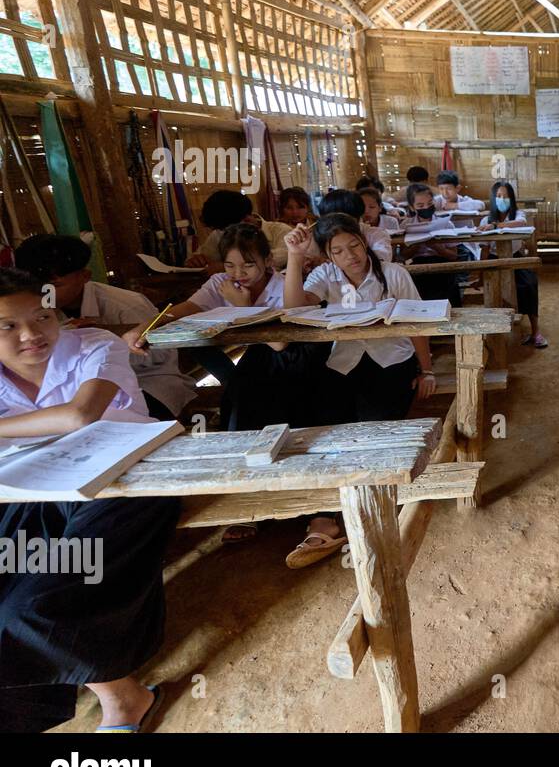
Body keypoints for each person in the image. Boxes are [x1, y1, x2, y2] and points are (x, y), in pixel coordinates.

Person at [0, 267, 179, 732]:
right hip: (36, 490)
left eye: (42, 317)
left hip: (127, 482)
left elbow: (82, 414)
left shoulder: (96, 345)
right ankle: (114, 697)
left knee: (40, 601)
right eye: (8, 326)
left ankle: (122, 700)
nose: (31, 334)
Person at [124, 224, 327, 544]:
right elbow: (184, 311)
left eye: (248, 265)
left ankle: (308, 504)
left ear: (266, 262)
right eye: (231, 265)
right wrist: (146, 326)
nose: (240, 273)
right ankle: (253, 504)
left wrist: (244, 306)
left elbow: (281, 344)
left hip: (298, 362)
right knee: (239, 411)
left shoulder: (281, 284)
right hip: (260, 362)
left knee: (285, 415)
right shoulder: (221, 282)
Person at [279, 215, 438, 568]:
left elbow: (417, 324)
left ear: (364, 242)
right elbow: (295, 309)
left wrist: (426, 369)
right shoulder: (323, 277)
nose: (350, 255)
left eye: (354, 245)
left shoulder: (393, 274)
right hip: (342, 366)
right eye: (338, 251)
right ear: (327, 256)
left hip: (391, 364)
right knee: (328, 438)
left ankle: (365, 528)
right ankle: (326, 519)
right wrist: (293, 256)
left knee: (373, 439)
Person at [15, 234, 195, 421]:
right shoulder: (36, 310)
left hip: (149, 382)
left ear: (84, 276)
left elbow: (161, 354)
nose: (45, 293)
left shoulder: (124, 304)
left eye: (54, 285)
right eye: (37, 286)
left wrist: (100, 339)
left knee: (116, 423)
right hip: (78, 390)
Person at [480, 180, 545, 347]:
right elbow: (485, 250)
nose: (502, 199)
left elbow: (521, 223)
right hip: (494, 260)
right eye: (499, 196)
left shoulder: (517, 214)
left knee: (529, 285)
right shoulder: (485, 220)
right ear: (493, 199)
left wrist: (496, 225)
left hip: (515, 257)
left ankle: (535, 331)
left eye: (506, 196)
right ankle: (494, 335)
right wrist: (481, 273)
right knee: (493, 290)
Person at [187, 189, 291, 271]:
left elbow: (283, 256)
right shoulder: (218, 234)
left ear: (247, 220)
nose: (226, 234)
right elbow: (205, 255)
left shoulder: (281, 231)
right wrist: (197, 260)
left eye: (227, 229)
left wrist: (226, 267)